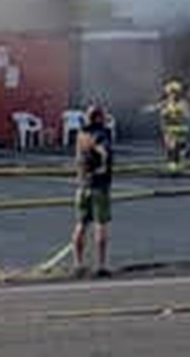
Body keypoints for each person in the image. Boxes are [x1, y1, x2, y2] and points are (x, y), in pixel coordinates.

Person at [70, 104, 114, 277]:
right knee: (101, 225)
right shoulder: (100, 135)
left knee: (81, 224)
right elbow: (103, 151)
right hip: (99, 186)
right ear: (98, 118)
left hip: (83, 186)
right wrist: (103, 165)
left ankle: (78, 263)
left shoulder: (81, 135)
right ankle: (101, 265)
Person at [158, 80, 190, 176]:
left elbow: (187, 116)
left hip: (180, 130)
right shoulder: (166, 104)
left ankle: (178, 165)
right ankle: (172, 166)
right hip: (169, 130)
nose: (172, 95)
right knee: (170, 149)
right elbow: (161, 114)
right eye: (170, 93)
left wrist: (177, 114)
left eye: (174, 93)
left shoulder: (183, 104)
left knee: (178, 148)